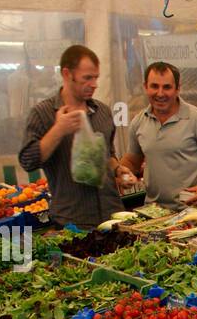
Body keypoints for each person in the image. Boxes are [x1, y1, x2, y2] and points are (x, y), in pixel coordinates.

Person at [18, 45, 123, 229]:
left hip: (111, 215)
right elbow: (28, 160)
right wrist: (59, 130)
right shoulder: (43, 113)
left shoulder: (102, 112)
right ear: (67, 74)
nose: (94, 84)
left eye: (96, 77)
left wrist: (118, 170)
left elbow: (109, 154)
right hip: (73, 222)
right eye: (87, 78)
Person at [116, 62, 197, 215]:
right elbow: (132, 161)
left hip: (193, 213)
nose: (160, 93)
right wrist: (122, 173)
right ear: (145, 87)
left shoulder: (196, 118)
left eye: (167, 87)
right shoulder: (139, 122)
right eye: (154, 86)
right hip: (154, 214)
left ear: (177, 89)